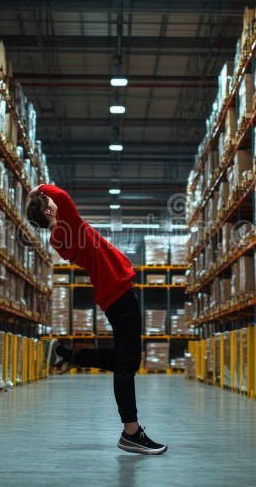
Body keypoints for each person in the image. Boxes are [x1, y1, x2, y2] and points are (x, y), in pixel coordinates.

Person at [26, 183, 167, 455]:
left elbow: (59, 200)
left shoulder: (58, 237)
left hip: (112, 291)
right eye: (50, 204)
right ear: (47, 211)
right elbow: (62, 195)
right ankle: (131, 432)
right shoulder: (66, 227)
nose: (54, 204)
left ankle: (67, 355)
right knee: (126, 365)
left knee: (125, 361)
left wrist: (40, 198)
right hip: (117, 291)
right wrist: (38, 189)